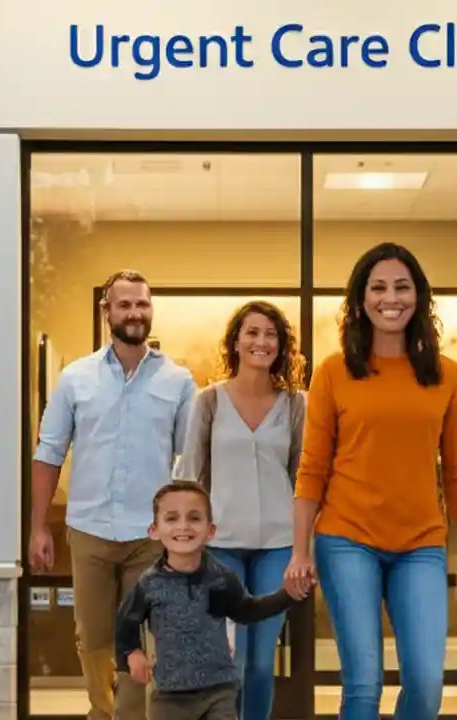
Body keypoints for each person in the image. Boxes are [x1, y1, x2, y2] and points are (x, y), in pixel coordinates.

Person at [285, 242, 457, 720]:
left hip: (421, 542)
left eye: (401, 286)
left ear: (419, 297)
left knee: (425, 684)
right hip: (346, 537)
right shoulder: (334, 373)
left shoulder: (446, 375)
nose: (389, 298)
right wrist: (300, 550)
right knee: (363, 684)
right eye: (377, 287)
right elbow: (312, 466)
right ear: (360, 299)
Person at [28, 269, 197, 720]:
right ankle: (102, 713)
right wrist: (38, 526)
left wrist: (188, 530)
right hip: (90, 531)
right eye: (124, 304)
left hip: (150, 535)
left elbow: (194, 463)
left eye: (142, 304)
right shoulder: (75, 379)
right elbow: (48, 453)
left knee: (143, 640)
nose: (135, 313)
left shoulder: (178, 382)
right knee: (95, 639)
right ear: (107, 312)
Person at [172, 300, 306, 720]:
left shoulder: (296, 405)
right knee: (231, 661)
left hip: (278, 546)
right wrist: (181, 545)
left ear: (281, 346)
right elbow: (189, 476)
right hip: (222, 546)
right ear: (235, 342)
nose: (261, 342)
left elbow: (305, 479)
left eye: (270, 334)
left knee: (262, 661)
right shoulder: (208, 400)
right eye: (251, 332)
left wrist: (308, 546)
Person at [116, 481, 305, 720]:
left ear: (211, 530)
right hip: (169, 697)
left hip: (219, 692)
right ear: (154, 530)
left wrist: (286, 595)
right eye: (171, 518)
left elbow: (246, 610)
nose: (183, 527)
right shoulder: (149, 584)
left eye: (194, 518)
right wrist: (132, 653)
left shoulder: (221, 578)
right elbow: (126, 622)